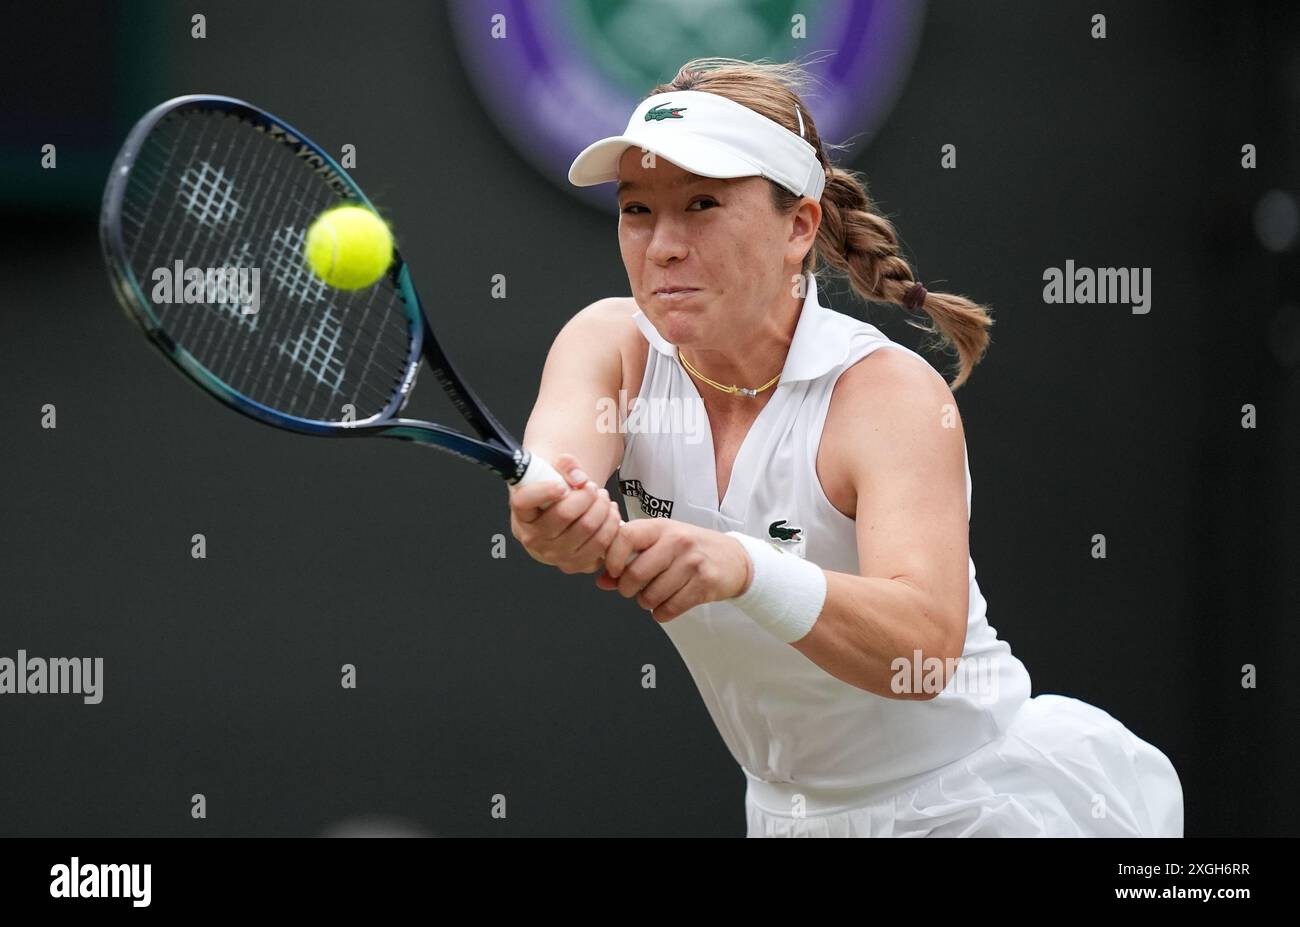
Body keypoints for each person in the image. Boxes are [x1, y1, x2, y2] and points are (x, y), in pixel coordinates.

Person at [508, 57, 1183, 837]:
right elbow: (556, 487)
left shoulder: (886, 394)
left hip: (972, 805)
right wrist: (552, 518)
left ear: (798, 225)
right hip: (790, 814)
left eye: (701, 204)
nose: (661, 246)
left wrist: (744, 566)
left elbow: (923, 643)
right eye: (636, 210)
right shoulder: (609, 344)